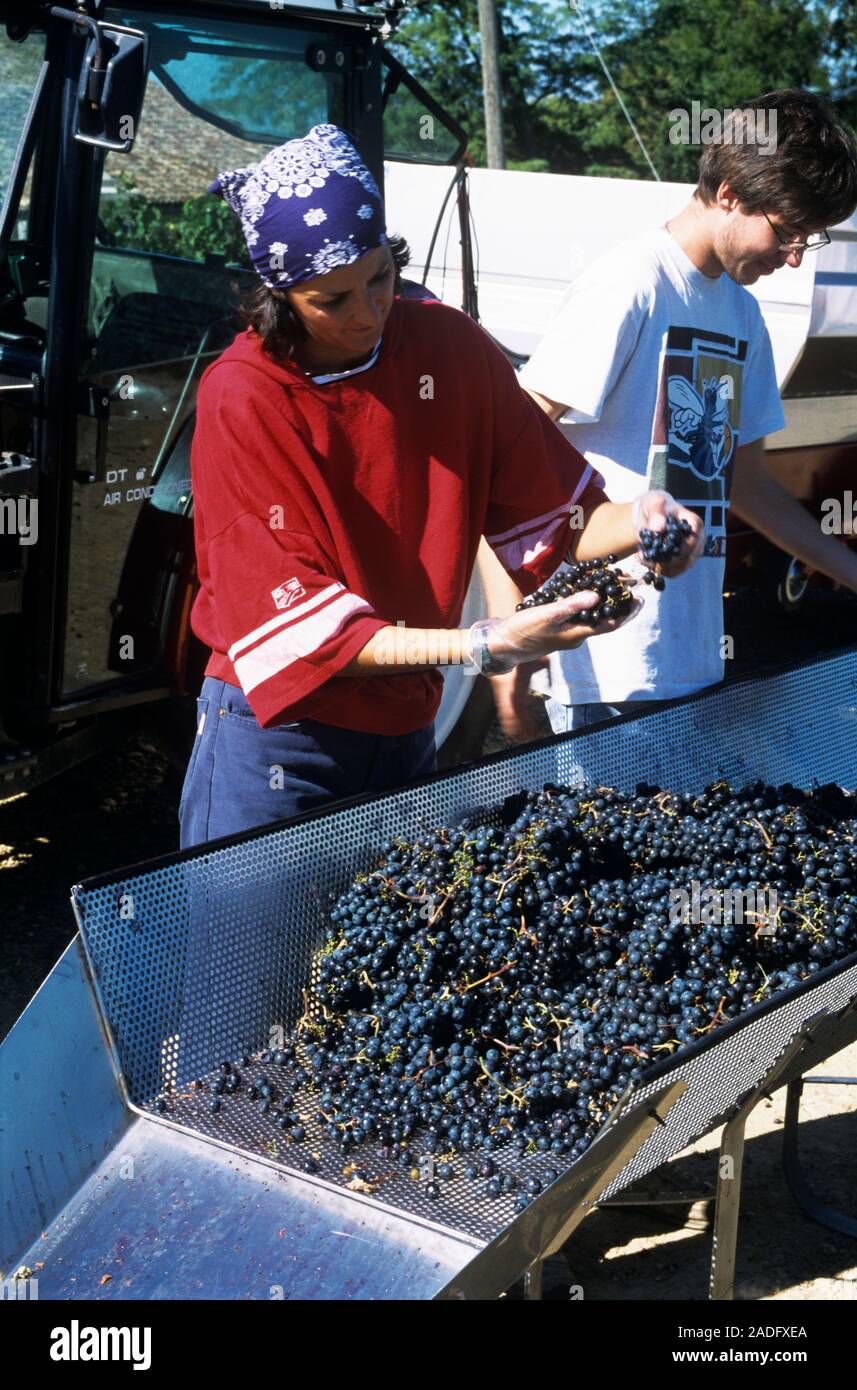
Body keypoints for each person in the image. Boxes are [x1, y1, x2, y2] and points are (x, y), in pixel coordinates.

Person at [178, 124, 704, 849]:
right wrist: (480, 646)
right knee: (242, 963)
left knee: (383, 952)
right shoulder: (243, 395)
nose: (366, 312)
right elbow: (292, 627)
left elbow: (565, 518)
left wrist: (647, 519)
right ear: (277, 298)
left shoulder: (448, 346)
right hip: (278, 737)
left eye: (379, 279)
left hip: (407, 724)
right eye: (331, 300)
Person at [479, 88, 857, 740]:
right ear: (731, 191)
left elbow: (748, 484)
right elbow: (494, 458)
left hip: (690, 662)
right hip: (598, 668)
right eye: (786, 229)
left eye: (810, 237)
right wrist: (505, 651)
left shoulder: (742, 313)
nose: (795, 255)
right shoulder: (630, 282)